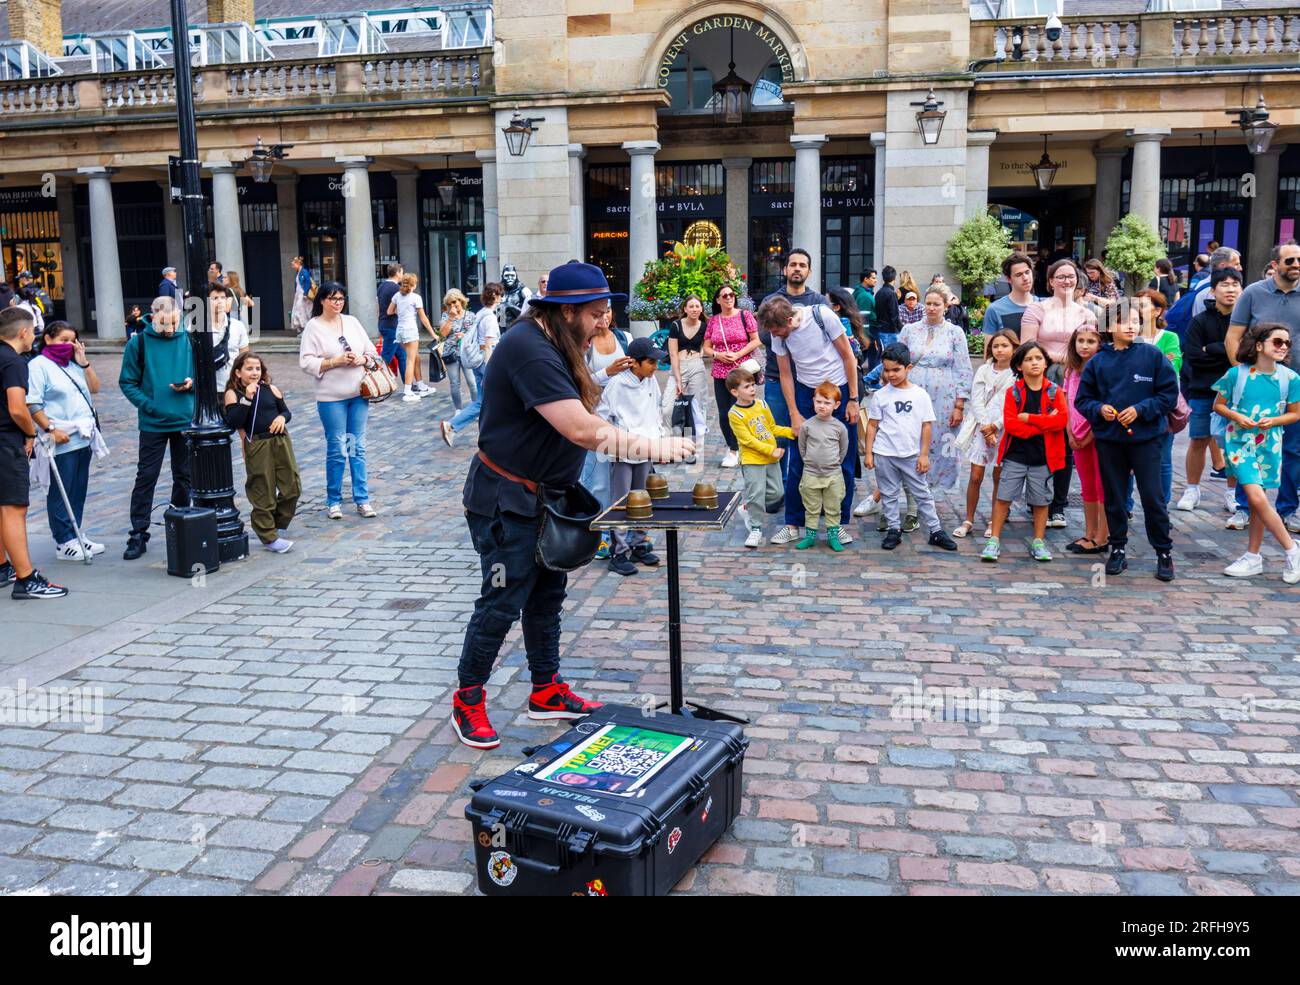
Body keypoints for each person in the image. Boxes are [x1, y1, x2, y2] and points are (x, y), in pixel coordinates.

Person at [452, 261, 693, 749]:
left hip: (548, 494)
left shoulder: (563, 341)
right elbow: (582, 429)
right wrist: (657, 447)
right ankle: (468, 699)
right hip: (506, 498)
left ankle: (546, 691)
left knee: (547, 595)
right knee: (502, 599)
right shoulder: (528, 348)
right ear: (566, 311)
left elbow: (583, 401)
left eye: (606, 310)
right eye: (597, 311)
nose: (604, 320)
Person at [1073, 306, 1180, 581]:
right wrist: (1100, 409)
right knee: (1115, 496)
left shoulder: (1152, 355)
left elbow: (1168, 394)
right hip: (1110, 440)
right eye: (1123, 321)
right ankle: (1117, 548)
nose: (1131, 326)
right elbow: (1083, 400)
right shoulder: (1098, 362)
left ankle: (1163, 552)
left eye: (1136, 321)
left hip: (1146, 440)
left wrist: (1142, 409)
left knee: (1153, 497)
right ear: (1109, 326)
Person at [760, 294, 861, 545]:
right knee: (799, 460)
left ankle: (839, 524)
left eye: (779, 330)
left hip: (838, 390)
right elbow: (785, 374)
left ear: (791, 319)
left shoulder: (822, 316)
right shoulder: (777, 332)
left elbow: (849, 357)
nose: (777, 335)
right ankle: (793, 523)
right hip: (806, 393)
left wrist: (853, 399)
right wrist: (794, 413)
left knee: (843, 460)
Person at [1213, 322, 1300, 583]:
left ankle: (1253, 556)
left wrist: (1273, 421)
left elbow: (1295, 414)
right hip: (1239, 442)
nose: (1283, 347)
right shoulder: (1235, 375)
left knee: (1257, 501)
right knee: (1254, 494)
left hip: (1270, 443)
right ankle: (1292, 549)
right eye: (1277, 342)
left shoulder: (1290, 378)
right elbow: (1219, 405)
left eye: (1287, 343)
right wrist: (1237, 415)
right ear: (1259, 345)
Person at [1224, 240, 1300, 533]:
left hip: (1294, 385)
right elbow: (1234, 336)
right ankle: (1245, 508)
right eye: (1289, 260)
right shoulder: (1253, 293)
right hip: (1257, 386)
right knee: (1248, 446)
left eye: (1298, 260)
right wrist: (1241, 374)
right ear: (1275, 265)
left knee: (1293, 450)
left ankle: (1287, 509)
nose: (1295, 265)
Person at [1020, 259, 1097, 527]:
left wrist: (1072, 362)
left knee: (1067, 441)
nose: (1067, 281)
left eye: (1071, 276)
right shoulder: (1036, 309)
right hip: (1042, 378)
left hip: (1077, 380)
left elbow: (1093, 347)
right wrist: (1060, 357)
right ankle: (1037, 498)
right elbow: (1028, 344)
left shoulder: (1087, 314)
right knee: (1040, 438)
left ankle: (1059, 505)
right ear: (1050, 281)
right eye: (1061, 276)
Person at [119, 295, 195, 560]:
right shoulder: (138, 342)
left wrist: (191, 383)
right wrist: (149, 405)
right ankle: (138, 533)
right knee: (146, 477)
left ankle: (181, 521)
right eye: (165, 323)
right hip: (153, 422)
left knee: (184, 476)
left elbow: (202, 373)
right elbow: (127, 382)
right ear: (152, 316)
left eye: (175, 322)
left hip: (185, 418)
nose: (172, 328)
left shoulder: (189, 338)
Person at [864, 342, 959, 553]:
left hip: (911, 455)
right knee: (889, 494)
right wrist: (869, 452)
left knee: (922, 493)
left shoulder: (920, 395)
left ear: (908, 368)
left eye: (896, 370)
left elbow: (926, 426)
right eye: (886, 370)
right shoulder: (880, 395)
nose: (891, 375)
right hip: (885, 453)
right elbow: (872, 425)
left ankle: (935, 531)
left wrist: (924, 454)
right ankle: (893, 529)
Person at [979, 341, 1068, 563]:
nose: (1034, 363)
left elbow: (1061, 421)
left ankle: (1038, 541)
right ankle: (994, 539)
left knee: (1040, 500)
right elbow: (1011, 424)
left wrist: (1030, 418)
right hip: (1015, 455)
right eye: (1028, 359)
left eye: (1038, 358)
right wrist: (1044, 423)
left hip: (1043, 457)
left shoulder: (1055, 392)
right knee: (1004, 497)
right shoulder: (1013, 392)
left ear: (1046, 362)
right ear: (1019, 366)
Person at [298, 281, 380, 520]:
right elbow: (306, 362)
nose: (337, 303)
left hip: (358, 394)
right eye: (333, 299)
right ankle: (333, 500)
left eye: (341, 299)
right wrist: (335, 362)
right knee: (336, 448)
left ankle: (362, 499)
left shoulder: (352, 322)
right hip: (331, 397)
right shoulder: (313, 327)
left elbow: (372, 353)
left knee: (357, 446)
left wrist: (360, 359)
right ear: (322, 300)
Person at [0, 308, 67, 598]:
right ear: (23, 332)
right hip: (6, 441)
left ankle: (3, 566)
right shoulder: (14, 361)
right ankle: (26, 579)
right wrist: (30, 432)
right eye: (32, 332)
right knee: (14, 508)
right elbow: (17, 407)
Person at [26, 321, 106, 561]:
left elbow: (95, 388)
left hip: (84, 436)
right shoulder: (38, 366)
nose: (68, 344)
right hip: (60, 437)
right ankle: (63, 541)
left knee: (78, 488)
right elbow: (33, 402)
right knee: (61, 489)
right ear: (48, 339)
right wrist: (49, 428)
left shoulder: (73, 364)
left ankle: (75, 533)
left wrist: (84, 362)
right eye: (63, 339)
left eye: (72, 340)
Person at [597, 336, 667, 576]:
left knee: (642, 499)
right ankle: (619, 551)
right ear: (634, 363)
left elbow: (656, 412)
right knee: (621, 501)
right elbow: (603, 415)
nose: (655, 367)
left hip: (646, 448)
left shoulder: (650, 381)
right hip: (623, 451)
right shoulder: (616, 385)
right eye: (651, 362)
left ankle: (639, 543)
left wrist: (658, 443)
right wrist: (619, 440)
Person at [223, 351, 300, 554]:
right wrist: (247, 398)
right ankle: (269, 537)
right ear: (238, 372)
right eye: (249, 368)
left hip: (281, 440)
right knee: (262, 488)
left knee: (292, 486)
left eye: (257, 368)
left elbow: (285, 411)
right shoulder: (233, 393)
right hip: (257, 444)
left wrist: (283, 418)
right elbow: (234, 421)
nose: (254, 372)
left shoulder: (271, 389)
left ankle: (273, 523)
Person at [762, 250, 829, 478]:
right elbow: (764, 336)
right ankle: (779, 488)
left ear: (809, 271)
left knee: (814, 436)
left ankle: (807, 487)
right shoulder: (770, 301)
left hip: (812, 381)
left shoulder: (819, 302)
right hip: (776, 378)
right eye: (793, 264)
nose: (797, 268)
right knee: (779, 434)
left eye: (802, 265)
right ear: (785, 269)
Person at [1179, 267, 1241, 516]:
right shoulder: (1200, 320)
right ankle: (1192, 489)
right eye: (1224, 284)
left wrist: (1211, 349)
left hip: (1237, 391)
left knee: (1234, 443)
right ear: (1213, 290)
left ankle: (1232, 492)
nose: (1230, 289)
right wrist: (1226, 352)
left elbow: (1247, 354)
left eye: (1235, 284)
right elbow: (1193, 356)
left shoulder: (1245, 321)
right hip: (1204, 388)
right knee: (1199, 439)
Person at [898, 287, 973, 492]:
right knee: (911, 437)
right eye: (928, 304)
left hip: (944, 395)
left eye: (936, 304)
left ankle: (931, 487)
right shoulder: (909, 330)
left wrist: (960, 404)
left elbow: (963, 368)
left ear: (946, 306)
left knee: (940, 439)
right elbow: (896, 360)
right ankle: (910, 486)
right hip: (912, 391)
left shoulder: (955, 332)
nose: (931, 308)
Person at [954, 329, 1017, 539]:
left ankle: (994, 519)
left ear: (1014, 348)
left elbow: (1013, 404)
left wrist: (996, 426)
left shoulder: (1017, 374)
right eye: (996, 346)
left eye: (1004, 346)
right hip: (983, 429)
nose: (999, 350)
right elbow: (977, 400)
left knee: (999, 476)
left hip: (1004, 428)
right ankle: (969, 519)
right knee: (975, 476)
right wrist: (985, 427)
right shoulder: (983, 370)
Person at [727, 366, 791, 549]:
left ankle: (748, 508)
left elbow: (772, 428)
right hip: (753, 460)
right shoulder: (735, 414)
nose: (753, 389)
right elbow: (747, 441)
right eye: (747, 387)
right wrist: (771, 451)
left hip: (771, 459)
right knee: (756, 492)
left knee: (777, 493)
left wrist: (792, 432)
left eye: (753, 385)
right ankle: (755, 528)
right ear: (734, 391)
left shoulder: (762, 405)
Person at [703, 282, 760, 468]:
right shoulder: (714, 321)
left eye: (731, 294)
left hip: (742, 370)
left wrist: (737, 354)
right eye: (724, 295)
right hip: (720, 371)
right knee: (723, 413)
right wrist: (717, 355)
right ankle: (732, 448)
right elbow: (706, 346)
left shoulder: (745, 316)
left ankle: (741, 448)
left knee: (744, 410)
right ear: (718, 300)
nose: (729, 297)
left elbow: (756, 340)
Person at [1062, 326, 1109, 555]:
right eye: (1080, 340)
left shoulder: (1103, 369)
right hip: (1077, 435)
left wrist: (1089, 435)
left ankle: (1102, 536)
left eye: (1091, 341)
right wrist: (1070, 432)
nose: (1084, 345)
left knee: (1103, 487)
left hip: (1098, 435)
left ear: (1099, 345)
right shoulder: (1071, 371)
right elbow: (1067, 403)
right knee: (1087, 487)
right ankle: (1089, 532)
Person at [440, 283, 502, 446]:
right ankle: (455, 426)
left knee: (482, 400)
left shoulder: (479, 313)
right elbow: (488, 346)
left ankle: (459, 427)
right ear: (495, 296)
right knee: (488, 400)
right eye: (500, 295)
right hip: (483, 361)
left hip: (476, 360)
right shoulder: (489, 317)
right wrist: (490, 370)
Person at [795, 381, 850, 552]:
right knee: (811, 506)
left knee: (833, 506)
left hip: (833, 474)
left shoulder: (839, 428)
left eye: (827, 403)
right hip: (811, 473)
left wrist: (833, 463)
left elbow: (843, 449)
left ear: (836, 405)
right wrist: (809, 461)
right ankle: (810, 537)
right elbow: (802, 447)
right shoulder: (807, 425)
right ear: (813, 401)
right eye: (819, 402)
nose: (822, 406)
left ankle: (833, 536)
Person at [662, 294, 709, 426]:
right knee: (667, 409)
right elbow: (673, 354)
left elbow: (708, 345)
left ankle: (696, 444)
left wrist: (701, 353)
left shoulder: (705, 326)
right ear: (685, 309)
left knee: (697, 409)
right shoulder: (676, 326)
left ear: (701, 309)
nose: (694, 309)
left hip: (697, 367)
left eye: (697, 306)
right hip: (678, 366)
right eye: (691, 306)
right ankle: (669, 441)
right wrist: (678, 380)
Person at [389, 273, 437, 402]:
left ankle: (421, 385)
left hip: (400, 330)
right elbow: (423, 318)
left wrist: (400, 311)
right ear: (414, 285)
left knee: (416, 357)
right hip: (410, 331)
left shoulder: (396, 296)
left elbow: (389, 311)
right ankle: (408, 391)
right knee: (410, 360)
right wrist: (433, 334)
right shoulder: (416, 297)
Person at [438, 289, 477, 413]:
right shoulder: (446, 315)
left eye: (454, 302)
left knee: (473, 382)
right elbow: (443, 334)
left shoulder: (471, 315)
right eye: (449, 304)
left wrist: (464, 336)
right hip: (451, 352)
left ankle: (476, 407)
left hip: (467, 352)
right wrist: (451, 318)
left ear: (461, 300)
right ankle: (458, 410)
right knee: (455, 383)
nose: (453, 305)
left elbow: (476, 334)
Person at [982, 253, 1036, 336]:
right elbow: (989, 347)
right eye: (1019, 275)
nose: (1025, 278)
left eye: (1027, 272)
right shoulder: (994, 309)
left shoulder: (1043, 305)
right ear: (1008, 279)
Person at [209, 284, 249, 393]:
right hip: (208, 390)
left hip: (233, 387)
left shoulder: (238, 326)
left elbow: (244, 357)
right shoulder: (196, 328)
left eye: (223, 298)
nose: (220, 301)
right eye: (215, 298)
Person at [376, 262, 406, 385]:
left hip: (384, 324)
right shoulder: (395, 288)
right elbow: (397, 309)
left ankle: (408, 384)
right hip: (392, 326)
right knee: (385, 358)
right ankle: (375, 381)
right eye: (402, 272)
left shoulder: (381, 286)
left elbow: (377, 307)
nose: (403, 275)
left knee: (402, 355)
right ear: (398, 273)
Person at [874, 266, 902, 355]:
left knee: (883, 358)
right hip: (890, 332)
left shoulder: (878, 293)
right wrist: (902, 329)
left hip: (880, 330)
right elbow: (894, 316)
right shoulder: (891, 294)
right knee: (891, 359)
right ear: (894, 278)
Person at [498, 264, 531, 330]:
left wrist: (510, 306)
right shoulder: (498, 289)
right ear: (502, 276)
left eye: (512, 275)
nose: (510, 278)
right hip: (501, 326)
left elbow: (531, 312)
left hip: (518, 326)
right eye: (507, 275)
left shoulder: (523, 290)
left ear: (516, 276)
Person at [290, 256, 314, 335]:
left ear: (298, 264)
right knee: (299, 311)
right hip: (298, 294)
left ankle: (305, 329)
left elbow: (308, 283)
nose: (292, 266)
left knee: (302, 311)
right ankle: (301, 329)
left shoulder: (304, 272)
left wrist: (305, 293)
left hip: (303, 294)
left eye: (293, 264)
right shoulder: (299, 272)